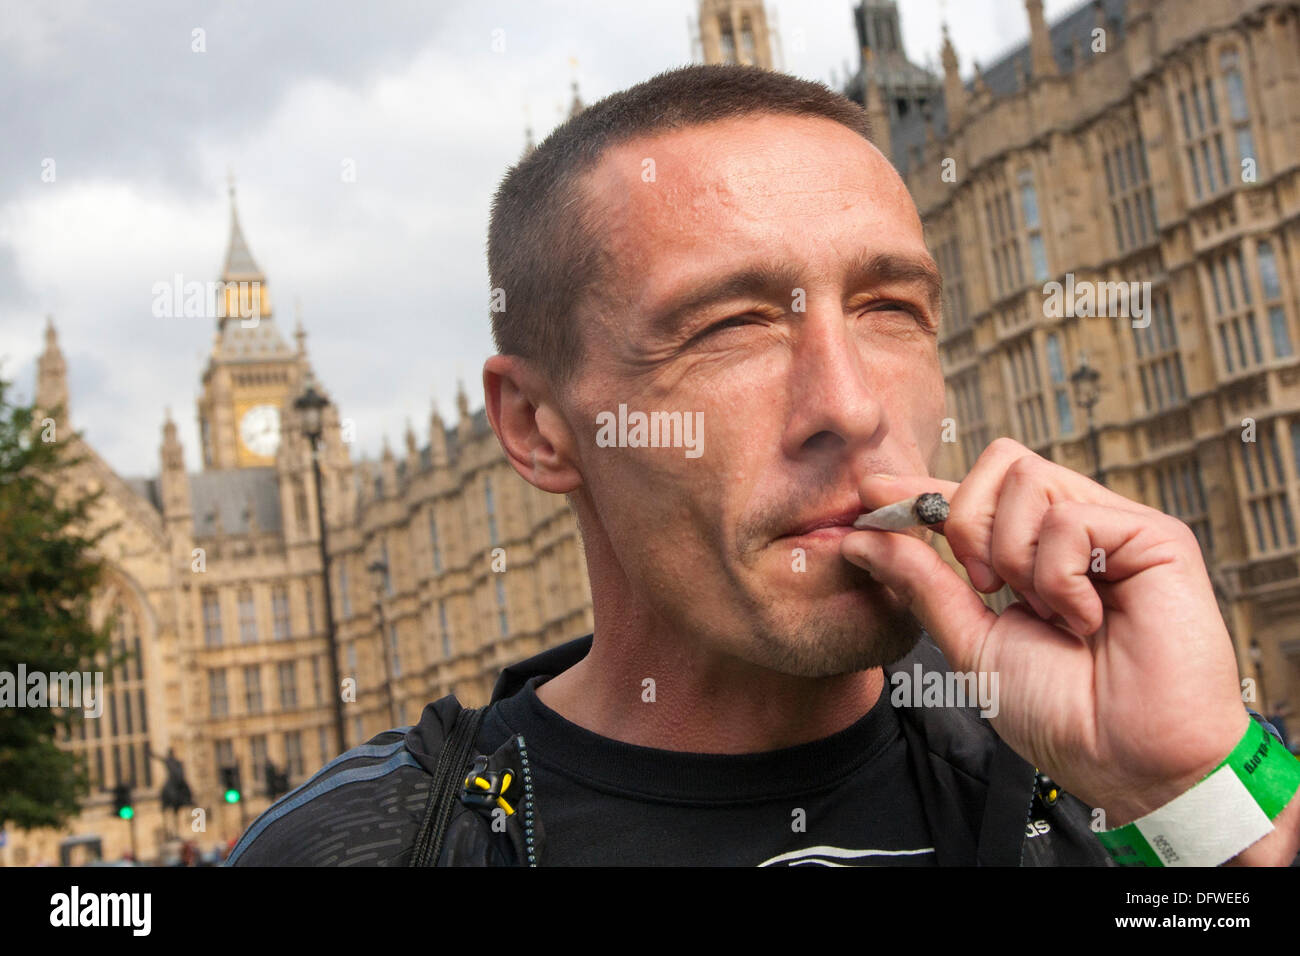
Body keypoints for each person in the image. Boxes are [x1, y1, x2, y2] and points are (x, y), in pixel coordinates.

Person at [228, 63, 1300, 866]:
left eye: (890, 308)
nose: (848, 402)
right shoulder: (375, 843)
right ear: (537, 426)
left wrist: (1189, 785)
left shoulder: (1096, 797)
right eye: (730, 325)